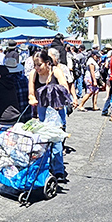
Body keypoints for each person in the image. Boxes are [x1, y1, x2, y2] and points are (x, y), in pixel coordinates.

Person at [28, 50, 69, 180]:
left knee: (56, 140)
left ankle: (58, 170)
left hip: (57, 109)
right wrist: (32, 99)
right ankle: (45, 167)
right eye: (35, 65)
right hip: (42, 109)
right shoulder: (33, 74)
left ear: (47, 63)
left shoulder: (56, 71)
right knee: (44, 139)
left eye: (39, 65)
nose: (37, 68)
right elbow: (31, 93)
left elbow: (65, 87)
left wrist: (59, 99)